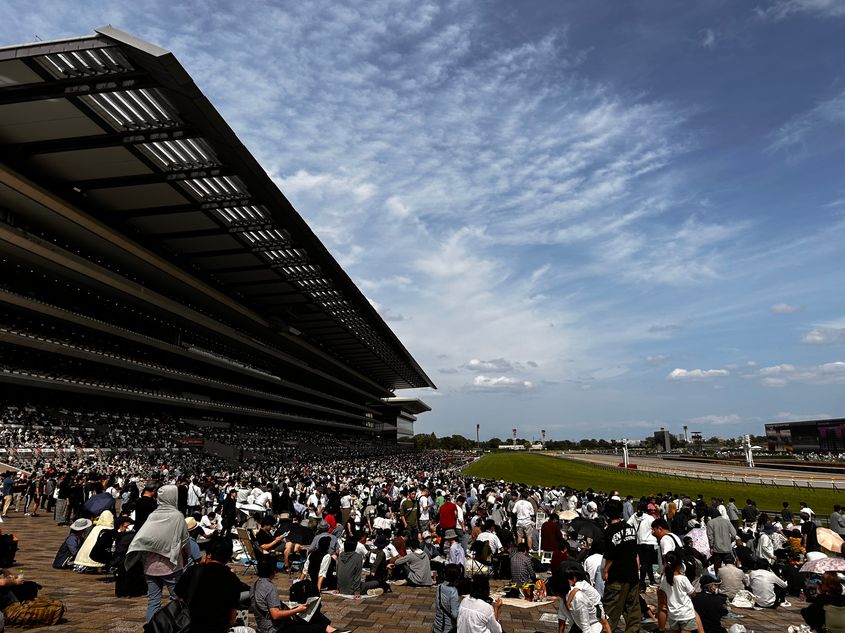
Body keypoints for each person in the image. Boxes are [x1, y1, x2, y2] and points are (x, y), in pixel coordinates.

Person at [125, 484, 192, 622]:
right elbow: (185, 541)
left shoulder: (153, 516)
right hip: (171, 566)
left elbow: (143, 537)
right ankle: (176, 627)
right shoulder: (177, 516)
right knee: (177, 599)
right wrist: (189, 555)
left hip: (150, 566)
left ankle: (151, 628)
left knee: (153, 602)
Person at [251, 556, 347, 633]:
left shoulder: (255, 585)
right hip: (275, 629)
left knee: (311, 615)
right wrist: (297, 609)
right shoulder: (269, 587)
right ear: (273, 571)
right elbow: (275, 615)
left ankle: (333, 630)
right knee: (315, 626)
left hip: (264, 626)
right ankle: (331, 630)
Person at [602, 498, 640, 633]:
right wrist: (637, 569)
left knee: (610, 613)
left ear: (607, 513)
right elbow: (635, 553)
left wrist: (605, 570)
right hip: (632, 574)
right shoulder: (631, 529)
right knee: (633, 613)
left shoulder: (609, 531)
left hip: (617, 576)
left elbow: (610, 555)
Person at [557, 567, 611, 633]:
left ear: (574, 578)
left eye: (568, 580)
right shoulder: (577, 585)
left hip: (597, 603)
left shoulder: (580, 583)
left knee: (604, 621)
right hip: (592, 603)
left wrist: (568, 602)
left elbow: (574, 591)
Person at [659, 551, 697, 633]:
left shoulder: (664, 579)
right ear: (680, 565)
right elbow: (693, 593)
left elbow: (662, 592)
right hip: (686, 614)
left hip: (673, 615)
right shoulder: (683, 579)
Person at [432, 564, 462, 633]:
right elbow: (454, 614)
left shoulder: (439, 587)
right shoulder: (453, 592)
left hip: (437, 626)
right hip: (448, 629)